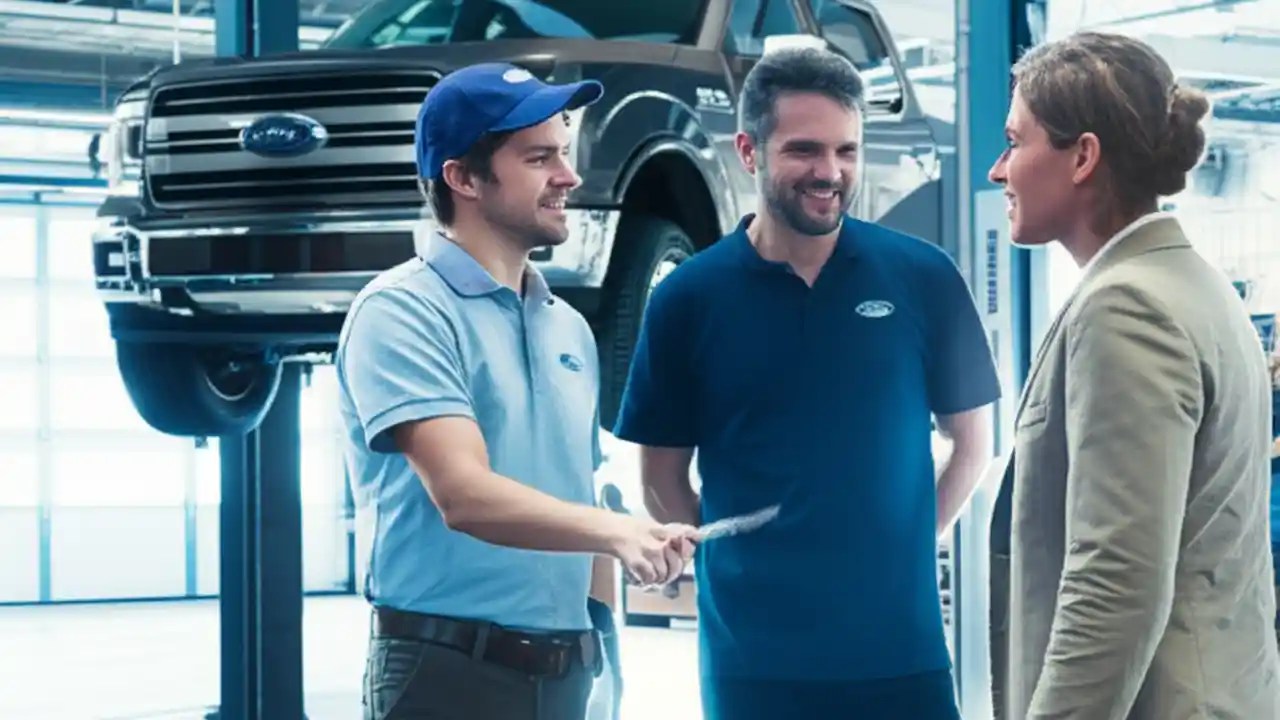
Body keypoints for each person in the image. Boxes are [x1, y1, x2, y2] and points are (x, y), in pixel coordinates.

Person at [612, 47, 1001, 719]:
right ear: (748, 150)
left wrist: (906, 545)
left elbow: (972, 443)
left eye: (846, 150)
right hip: (752, 663)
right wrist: (736, 565)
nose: (830, 173)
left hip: (900, 655)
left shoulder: (923, 276)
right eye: (805, 151)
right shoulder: (687, 298)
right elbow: (659, 479)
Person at [335, 62, 697, 720]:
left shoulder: (566, 327)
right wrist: (620, 532)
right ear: (463, 178)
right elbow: (464, 496)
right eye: (540, 157)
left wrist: (603, 650)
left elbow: (576, 493)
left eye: (563, 151)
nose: (569, 175)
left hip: (567, 669)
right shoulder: (402, 312)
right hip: (446, 675)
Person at [986, 31, 1280, 719]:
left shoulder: (1126, 307)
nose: (999, 170)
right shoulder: (1196, 288)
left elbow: (1116, 581)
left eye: (1015, 141)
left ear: (1082, 156)